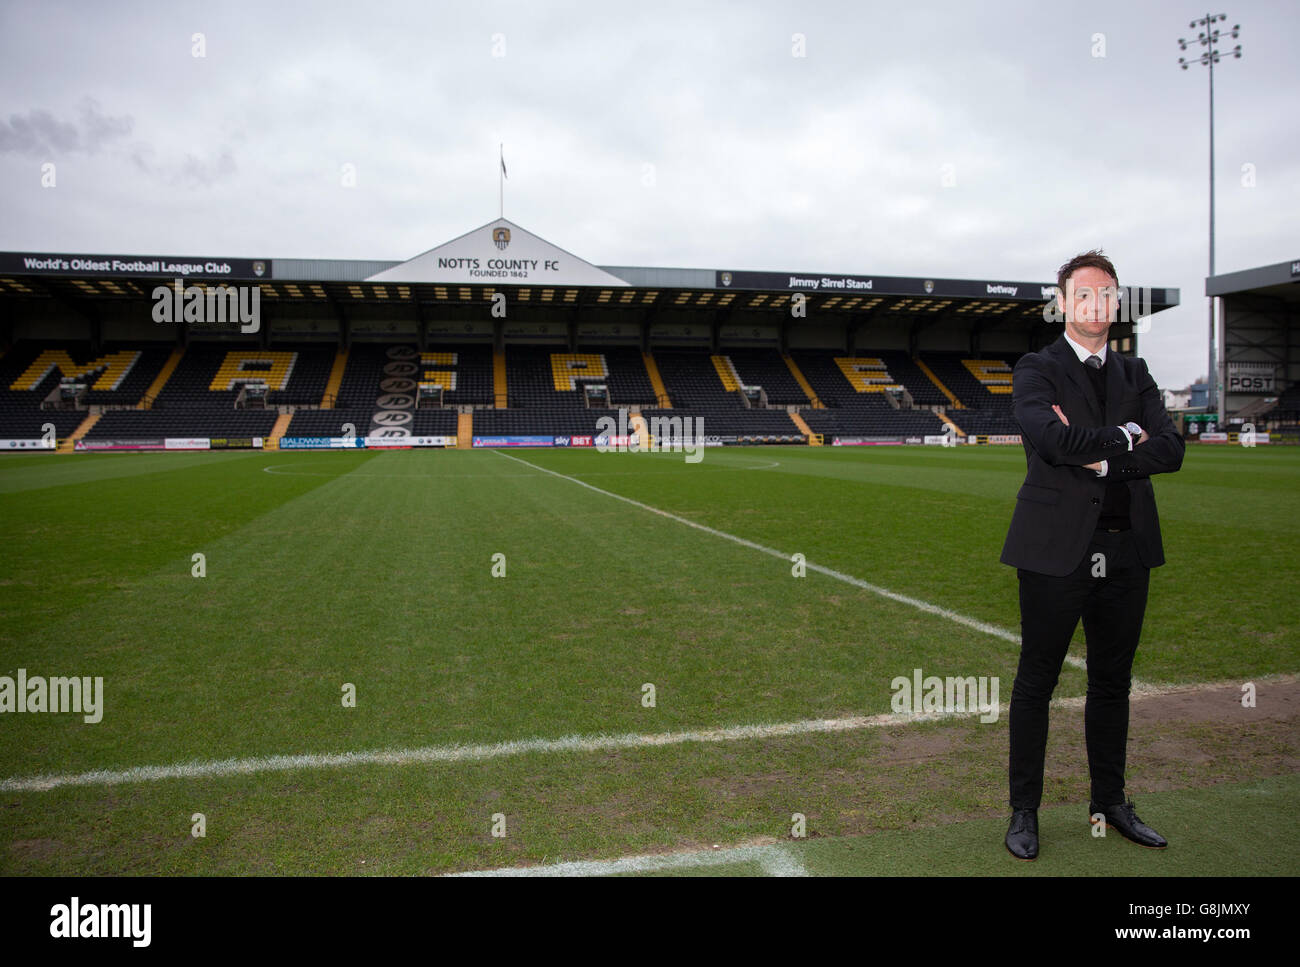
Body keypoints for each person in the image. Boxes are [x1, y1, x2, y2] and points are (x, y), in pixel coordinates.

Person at [999, 249, 1184, 860]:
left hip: (1127, 548)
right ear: (1063, 303)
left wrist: (1103, 454)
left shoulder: (1137, 373)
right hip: (1057, 551)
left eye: (1107, 294)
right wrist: (1126, 436)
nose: (1097, 304)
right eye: (1084, 294)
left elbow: (1172, 450)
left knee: (1113, 682)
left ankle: (1110, 799)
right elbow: (1050, 440)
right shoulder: (1037, 368)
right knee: (1037, 683)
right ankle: (1024, 810)